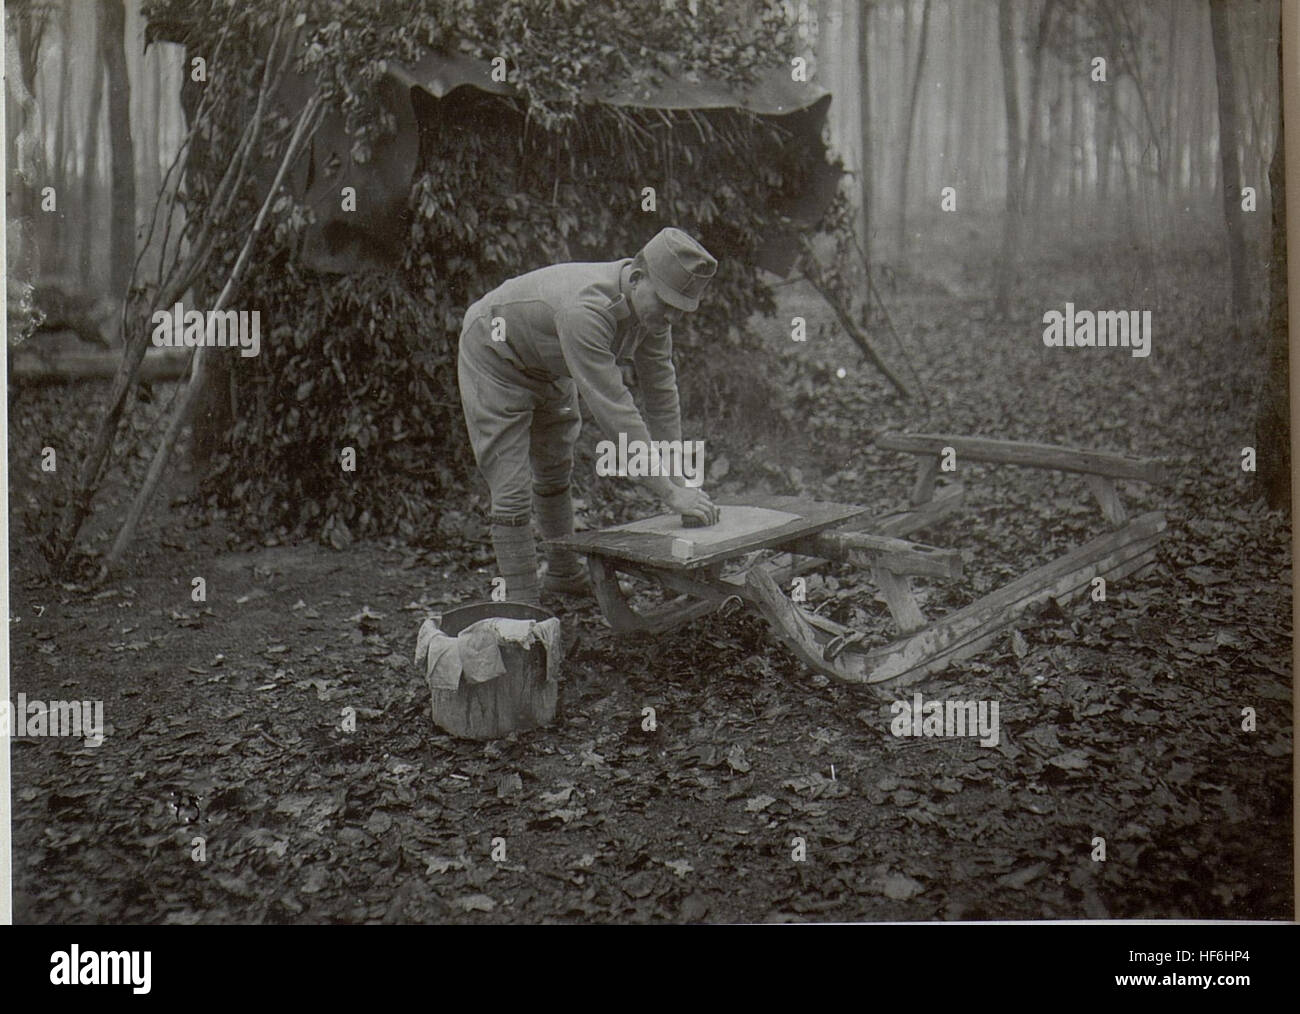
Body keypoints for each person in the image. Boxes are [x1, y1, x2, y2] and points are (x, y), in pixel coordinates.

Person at [457, 226, 720, 606]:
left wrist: (681, 481)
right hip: (494, 355)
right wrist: (668, 492)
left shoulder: (654, 317)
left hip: (550, 364)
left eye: (679, 310)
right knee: (511, 489)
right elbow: (615, 410)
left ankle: (563, 575)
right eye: (665, 303)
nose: (670, 317)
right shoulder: (585, 310)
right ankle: (523, 608)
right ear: (636, 277)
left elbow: (661, 395)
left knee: (554, 468)